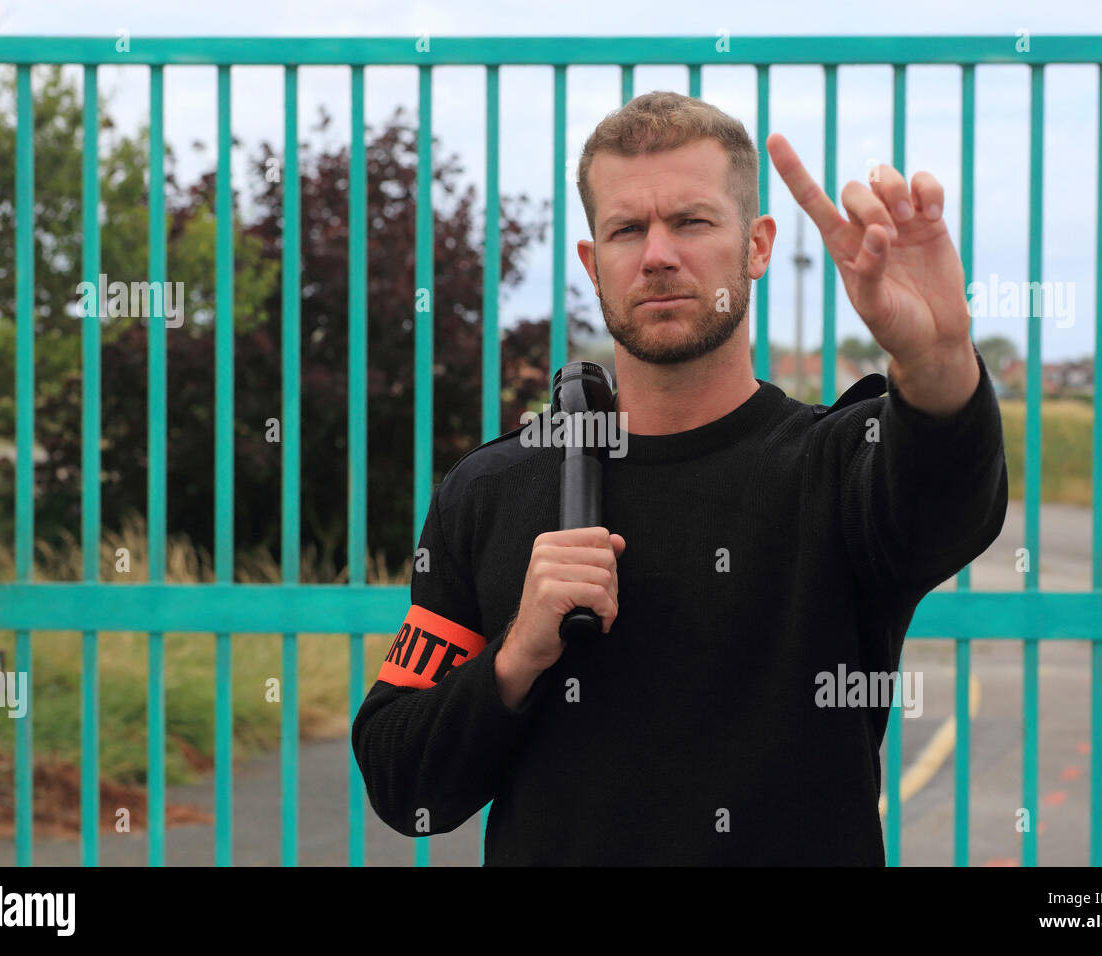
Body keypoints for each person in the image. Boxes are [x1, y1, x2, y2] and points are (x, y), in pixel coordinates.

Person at [352, 90, 1008, 865]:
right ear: (595, 266)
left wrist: (934, 362)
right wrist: (517, 653)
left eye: (692, 222)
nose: (658, 254)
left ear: (758, 247)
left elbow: (950, 496)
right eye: (628, 229)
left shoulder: (839, 469)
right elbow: (404, 786)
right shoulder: (490, 491)